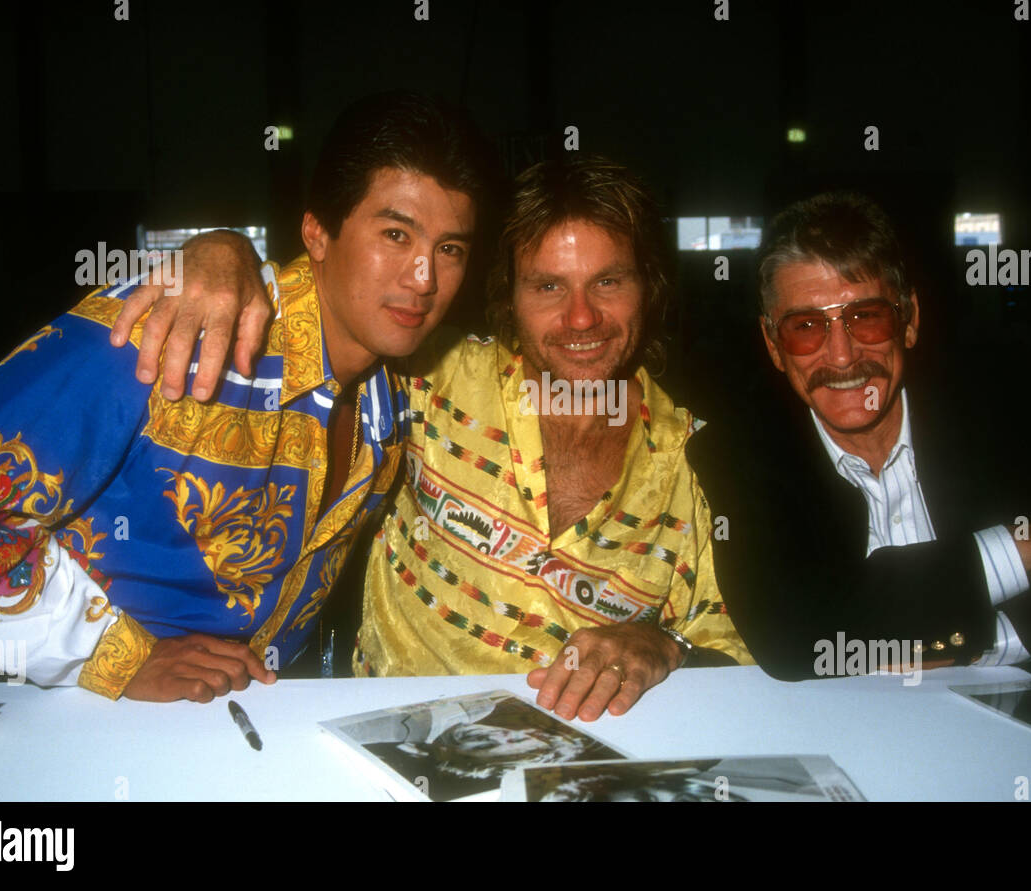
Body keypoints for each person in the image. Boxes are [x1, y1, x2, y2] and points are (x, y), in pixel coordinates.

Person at [116, 156, 753, 721]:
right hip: (383, 749)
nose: (581, 318)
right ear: (509, 294)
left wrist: (666, 644)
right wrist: (225, 249)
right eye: (548, 286)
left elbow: (741, 645)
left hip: (579, 774)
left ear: (652, 288)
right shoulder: (426, 376)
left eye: (608, 282)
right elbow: (336, 304)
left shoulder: (702, 464)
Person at [0, 91, 495, 702]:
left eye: (450, 249)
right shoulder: (172, 329)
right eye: (395, 233)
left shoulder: (400, 398)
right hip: (84, 720)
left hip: (255, 733)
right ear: (317, 232)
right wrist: (116, 657)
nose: (424, 278)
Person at [686, 191, 1031, 680]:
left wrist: (908, 635)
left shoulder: (1016, 411)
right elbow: (794, 634)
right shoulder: (736, 453)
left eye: (866, 317)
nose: (843, 356)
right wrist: (1023, 551)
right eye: (806, 326)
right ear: (773, 345)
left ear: (909, 319)